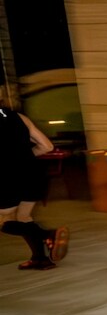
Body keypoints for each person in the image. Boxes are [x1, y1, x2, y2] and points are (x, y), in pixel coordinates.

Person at [1, 107, 68, 270]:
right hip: (32, 173)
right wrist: (24, 157)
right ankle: (40, 259)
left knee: (4, 221)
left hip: (7, 177)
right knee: (24, 217)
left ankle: (47, 234)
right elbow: (47, 146)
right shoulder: (18, 117)